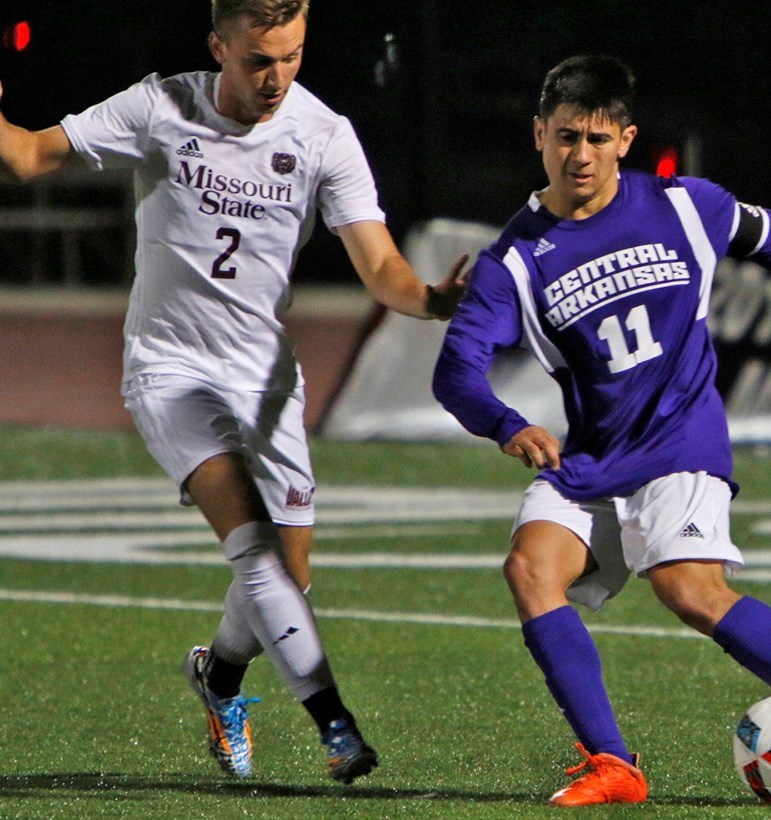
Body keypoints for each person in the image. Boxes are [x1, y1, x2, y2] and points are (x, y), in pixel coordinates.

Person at [432, 54, 771, 807]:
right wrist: (506, 424)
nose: (581, 155)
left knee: (690, 590)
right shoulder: (515, 262)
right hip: (595, 454)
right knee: (530, 571)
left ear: (626, 139)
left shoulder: (687, 206)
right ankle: (614, 765)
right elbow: (455, 372)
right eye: (565, 137)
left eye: (597, 139)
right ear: (539, 135)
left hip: (680, 441)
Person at [0, 0, 469, 784]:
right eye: (258, 59)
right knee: (254, 549)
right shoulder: (160, 105)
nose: (277, 76)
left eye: (292, 56)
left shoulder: (324, 134)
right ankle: (338, 727)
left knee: (292, 567)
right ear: (219, 47)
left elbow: (383, 270)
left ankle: (218, 679)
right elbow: (27, 158)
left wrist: (432, 300)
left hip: (266, 379)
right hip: (168, 369)